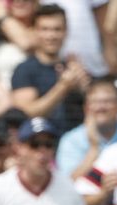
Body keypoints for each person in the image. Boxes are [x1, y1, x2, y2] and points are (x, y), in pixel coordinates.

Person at [10, 4, 89, 133]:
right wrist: (63, 87)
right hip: (42, 145)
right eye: (45, 29)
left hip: (75, 142)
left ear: (66, 31)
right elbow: (26, 114)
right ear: (35, 31)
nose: (51, 36)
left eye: (57, 29)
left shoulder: (73, 68)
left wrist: (84, 89)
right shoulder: (24, 69)